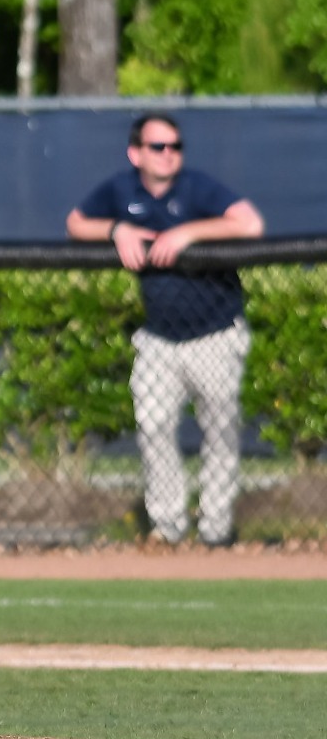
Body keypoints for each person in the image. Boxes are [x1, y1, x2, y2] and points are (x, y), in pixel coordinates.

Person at [66, 114, 264, 547]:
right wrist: (117, 229)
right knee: (153, 427)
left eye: (175, 146)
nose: (169, 154)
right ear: (136, 153)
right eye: (159, 147)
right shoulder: (121, 191)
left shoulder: (197, 188)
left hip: (215, 334)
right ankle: (169, 526)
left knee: (221, 431)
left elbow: (250, 224)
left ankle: (215, 528)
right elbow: (76, 223)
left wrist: (187, 233)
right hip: (158, 339)